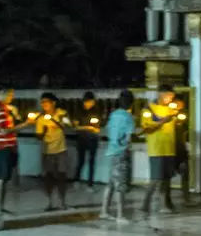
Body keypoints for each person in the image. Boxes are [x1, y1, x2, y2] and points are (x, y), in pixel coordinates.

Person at [140, 85, 180, 216]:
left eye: (172, 97)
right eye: (168, 96)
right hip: (156, 148)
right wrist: (163, 121)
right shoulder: (148, 109)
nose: (170, 99)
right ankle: (146, 204)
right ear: (160, 94)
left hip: (169, 147)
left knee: (167, 178)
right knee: (156, 178)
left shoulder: (171, 109)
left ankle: (166, 203)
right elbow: (147, 129)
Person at [0, 86, 24, 214]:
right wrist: (25, 125)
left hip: (7, 146)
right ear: (2, 94)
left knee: (4, 177)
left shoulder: (4, 109)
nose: (11, 98)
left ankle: (0, 206)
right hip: (2, 147)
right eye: (10, 95)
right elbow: (4, 130)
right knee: (1, 177)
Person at [100, 90, 136, 223]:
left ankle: (104, 211)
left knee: (110, 183)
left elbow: (108, 131)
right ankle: (120, 215)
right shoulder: (128, 117)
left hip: (110, 151)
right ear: (131, 103)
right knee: (120, 185)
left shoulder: (113, 115)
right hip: (121, 153)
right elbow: (128, 138)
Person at [35, 93, 72, 211]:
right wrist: (44, 131)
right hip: (47, 151)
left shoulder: (61, 113)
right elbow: (38, 136)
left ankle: (62, 202)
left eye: (46, 101)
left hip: (61, 150)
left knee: (62, 176)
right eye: (42, 102)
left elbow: (68, 125)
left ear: (53, 103)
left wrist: (59, 120)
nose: (44, 104)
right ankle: (50, 202)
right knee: (49, 177)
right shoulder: (40, 119)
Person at [72, 91, 102, 189]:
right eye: (87, 102)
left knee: (92, 162)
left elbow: (98, 127)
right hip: (82, 139)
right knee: (81, 161)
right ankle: (76, 180)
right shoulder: (79, 111)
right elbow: (75, 127)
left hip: (93, 140)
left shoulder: (97, 111)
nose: (89, 104)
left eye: (91, 102)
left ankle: (90, 184)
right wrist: (88, 128)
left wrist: (95, 129)